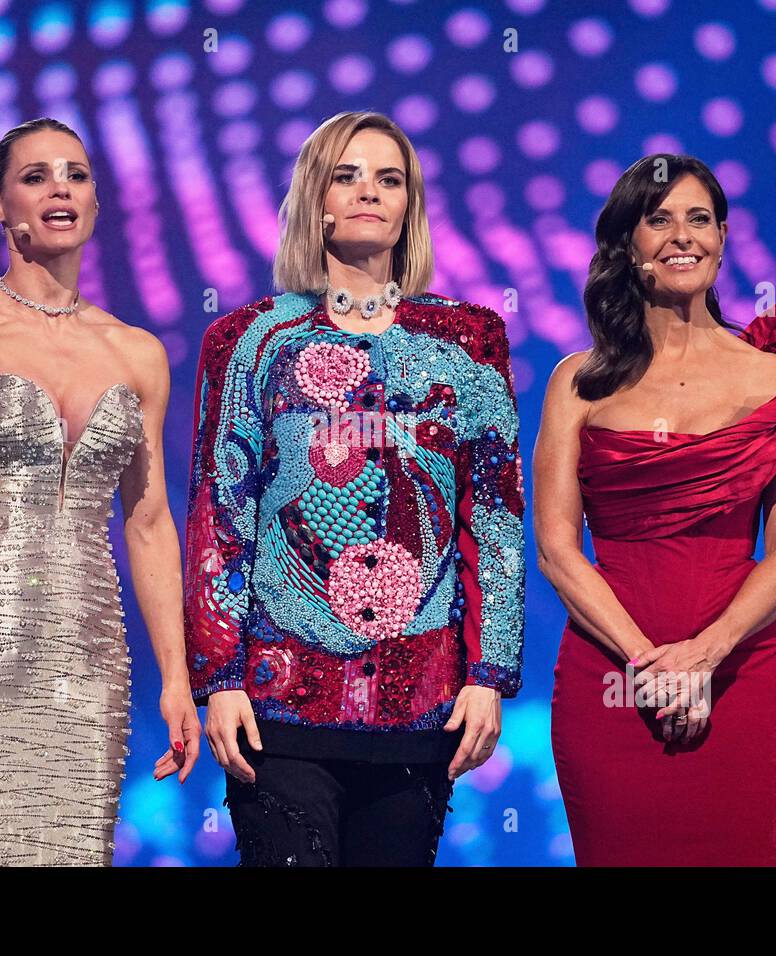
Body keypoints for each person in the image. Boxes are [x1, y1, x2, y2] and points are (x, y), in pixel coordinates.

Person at [183, 111, 525, 866]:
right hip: (277, 703)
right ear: (317, 198)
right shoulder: (247, 339)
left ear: (410, 205)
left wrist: (490, 673)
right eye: (347, 174)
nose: (369, 191)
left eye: (389, 178)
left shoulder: (468, 340)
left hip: (424, 704)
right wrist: (220, 679)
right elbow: (221, 513)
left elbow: (495, 514)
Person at [0, 117, 198, 865]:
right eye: (36, 175)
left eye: (76, 175)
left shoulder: (138, 352)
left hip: (87, 657)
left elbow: (148, 521)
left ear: (94, 202)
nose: (60, 188)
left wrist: (177, 678)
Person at [536, 154, 776, 865]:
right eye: (658, 219)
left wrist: (705, 656)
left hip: (744, 671)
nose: (680, 236)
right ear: (628, 244)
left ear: (722, 238)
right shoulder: (578, 381)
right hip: (611, 677)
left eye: (699, 219)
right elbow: (557, 548)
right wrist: (647, 667)